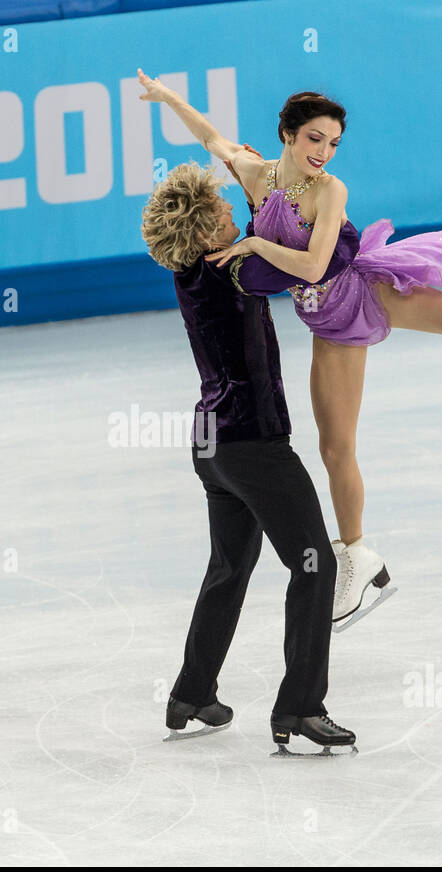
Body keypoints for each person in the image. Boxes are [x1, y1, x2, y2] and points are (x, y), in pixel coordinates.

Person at [137, 71, 442, 628]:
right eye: (314, 139)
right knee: (334, 449)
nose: (324, 152)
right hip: (325, 324)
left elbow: (312, 264)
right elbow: (212, 138)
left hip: (363, 291)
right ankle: (358, 555)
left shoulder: (331, 191)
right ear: (286, 134)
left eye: (332, 143)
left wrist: (254, 242)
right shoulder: (258, 175)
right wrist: (169, 98)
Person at [140, 159, 362, 756]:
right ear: (207, 231)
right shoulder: (236, 268)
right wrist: (335, 220)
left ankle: (191, 692)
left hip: (211, 445)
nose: (236, 215)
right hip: (251, 444)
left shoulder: (192, 272)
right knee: (315, 564)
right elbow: (321, 264)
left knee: (229, 568)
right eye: (224, 212)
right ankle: (300, 707)